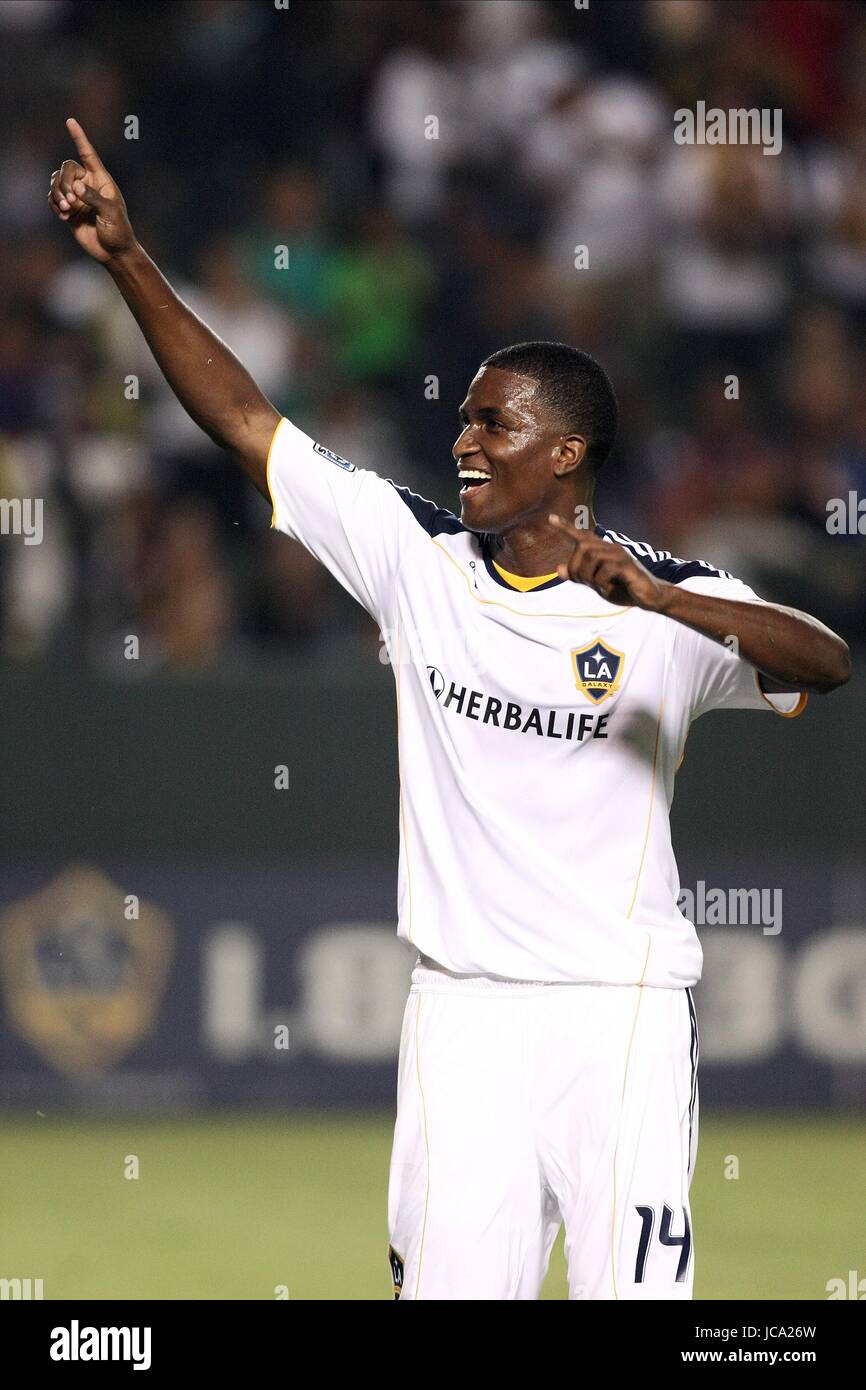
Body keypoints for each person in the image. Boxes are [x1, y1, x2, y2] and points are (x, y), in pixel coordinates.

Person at [48, 120, 850, 1301]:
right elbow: (246, 421)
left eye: (494, 424)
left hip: (615, 1017)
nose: (463, 442)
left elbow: (826, 661)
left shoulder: (658, 598)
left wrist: (668, 607)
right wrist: (126, 259)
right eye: (466, 419)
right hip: (459, 1013)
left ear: (567, 452)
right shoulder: (412, 554)